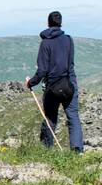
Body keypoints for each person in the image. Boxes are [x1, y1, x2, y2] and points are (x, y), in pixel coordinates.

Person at [25, 10, 84, 153]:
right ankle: (78, 151)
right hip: (70, 84)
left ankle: (47, 150)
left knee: (50, 118)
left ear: (48, 23)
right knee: (73, 117)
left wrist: (30, 82)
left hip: (52, 88)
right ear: (60, 23)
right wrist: (73, 82)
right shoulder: (68, 40)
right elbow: (71, 64)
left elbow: (42, 71)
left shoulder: (45, 43)